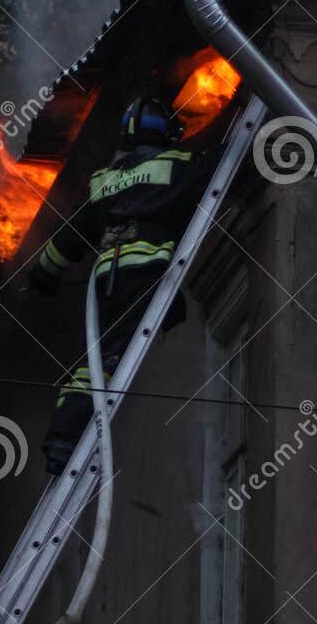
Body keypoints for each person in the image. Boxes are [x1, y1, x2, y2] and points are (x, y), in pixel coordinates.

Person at [30, 94, 218, 474]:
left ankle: (62, 436)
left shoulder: (103, 180)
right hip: (145, 276)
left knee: (94, 363)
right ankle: (66, 443)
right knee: (111, 362)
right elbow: (226, 166)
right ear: (165, 132)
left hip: (105, 283)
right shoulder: (178, 165)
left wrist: (43, 276)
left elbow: (67, 240)